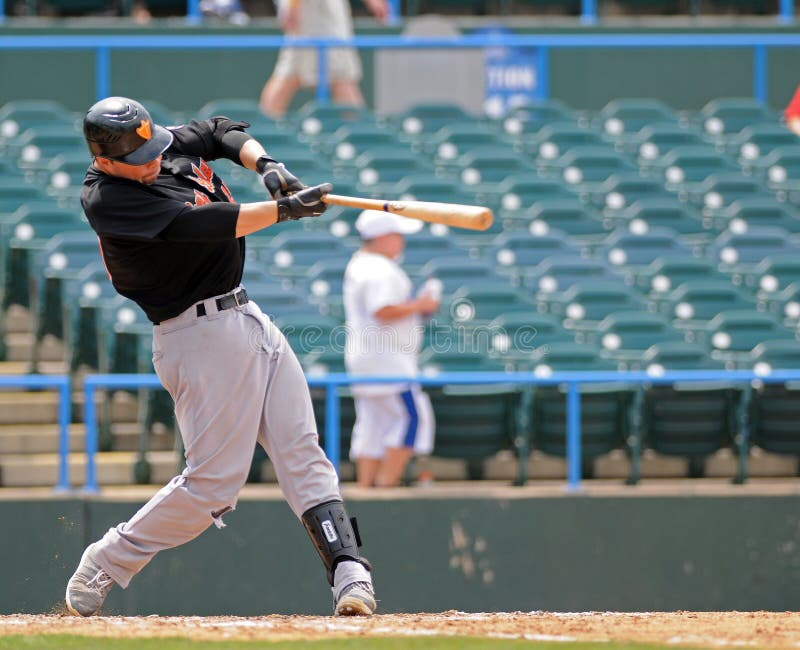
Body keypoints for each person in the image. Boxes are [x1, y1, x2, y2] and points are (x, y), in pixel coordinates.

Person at [64, 96, 376, 618]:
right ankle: (108, 560)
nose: (154, 161)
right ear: (105, 159)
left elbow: (219, 130)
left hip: (245, 315)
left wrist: (269, 167)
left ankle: (350, 572)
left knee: (302, 450)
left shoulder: (155, 147)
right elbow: (198, 227)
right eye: (139, 158)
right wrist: (284, 211)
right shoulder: (107, 197)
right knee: (214, 485)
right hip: (196, 335)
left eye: (154, 150)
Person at [343, 210, 439, 488]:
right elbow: (382, 310)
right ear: (383, 237)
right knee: (413, 418)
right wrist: (421, 305)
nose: (401, 242)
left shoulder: (361, 264)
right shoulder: (378, 268)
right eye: (397, 235)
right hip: (386, 359)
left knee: (372, 423)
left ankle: (366, 489)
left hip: (368, 357)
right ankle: (385, 487)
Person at [259, 0, 389, 118]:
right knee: (340, 77)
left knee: (293, 72)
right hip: (314, 9)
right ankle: (361, 135)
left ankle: (261, 129)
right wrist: (293, 5)